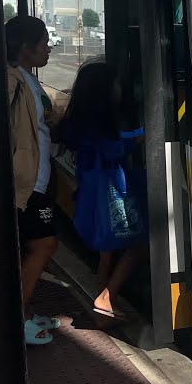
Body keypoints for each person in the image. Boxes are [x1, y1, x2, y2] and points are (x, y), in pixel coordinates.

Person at [54, 60, 146, 319]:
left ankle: (102, 311)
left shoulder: (82, 121)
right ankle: (106, 298)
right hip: (111, 195)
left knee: (107, 254)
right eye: (115, 85)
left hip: (92, 194)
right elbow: (112, 149)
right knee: (139, 244)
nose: (119, 89)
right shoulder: (99, 125)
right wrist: (140, 137)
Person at [5, 15, 63, 345]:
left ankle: (24, 312)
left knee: (33, 245)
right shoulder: (11, 79)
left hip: (36, 177)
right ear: (25, 48)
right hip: (26, 180)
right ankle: (17, 318)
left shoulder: (27, 77)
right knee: (44, 244)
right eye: (44, 43)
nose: (48, 49)